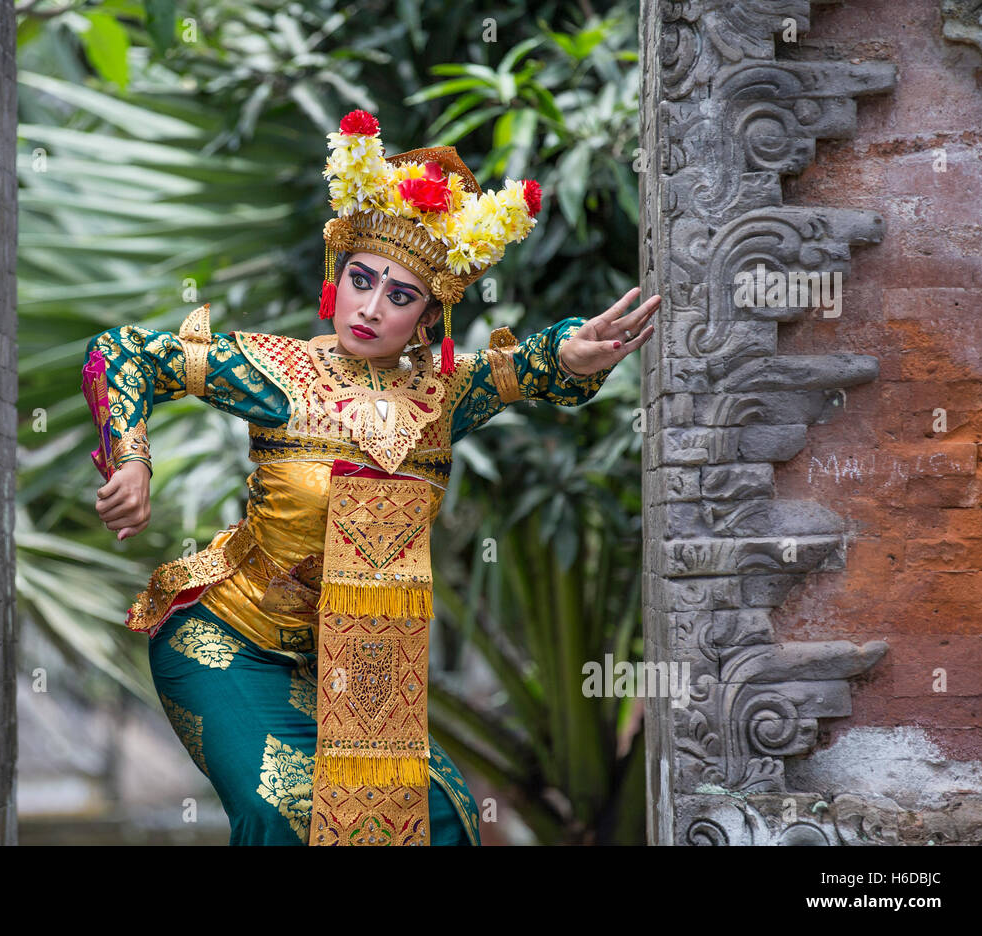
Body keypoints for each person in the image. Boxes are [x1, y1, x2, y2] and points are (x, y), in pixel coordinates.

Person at [82, 110, 659, 846]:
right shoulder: (278, 374)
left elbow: (529, 369)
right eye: (363, 280)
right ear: (339, 276)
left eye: (400, 295)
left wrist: (572, 357)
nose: (372, 306)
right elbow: (122, 352)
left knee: (441, 819)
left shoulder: (442, 397)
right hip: (225, 638)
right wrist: (131, 456)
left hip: (357, 664)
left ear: (428, 318)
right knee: (278, 810)